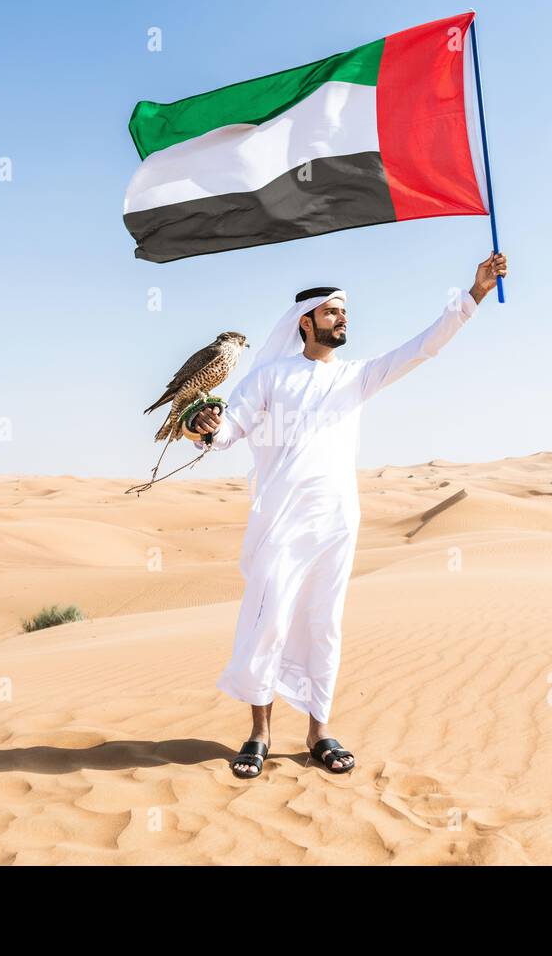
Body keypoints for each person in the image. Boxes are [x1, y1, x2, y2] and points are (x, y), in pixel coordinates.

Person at [189, 252, 508, 778]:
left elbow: (424, 347)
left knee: (323, 623)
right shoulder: (270, 377)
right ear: (306, 321)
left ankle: (318, 731)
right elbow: (225, 433)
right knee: (267, 619)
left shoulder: (358, 377)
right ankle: (259, 733)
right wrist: (201, 424)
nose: (343, 320)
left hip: (336, 519)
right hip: (280, 520)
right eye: (334, 312)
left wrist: (473, 293)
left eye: (344, 313)